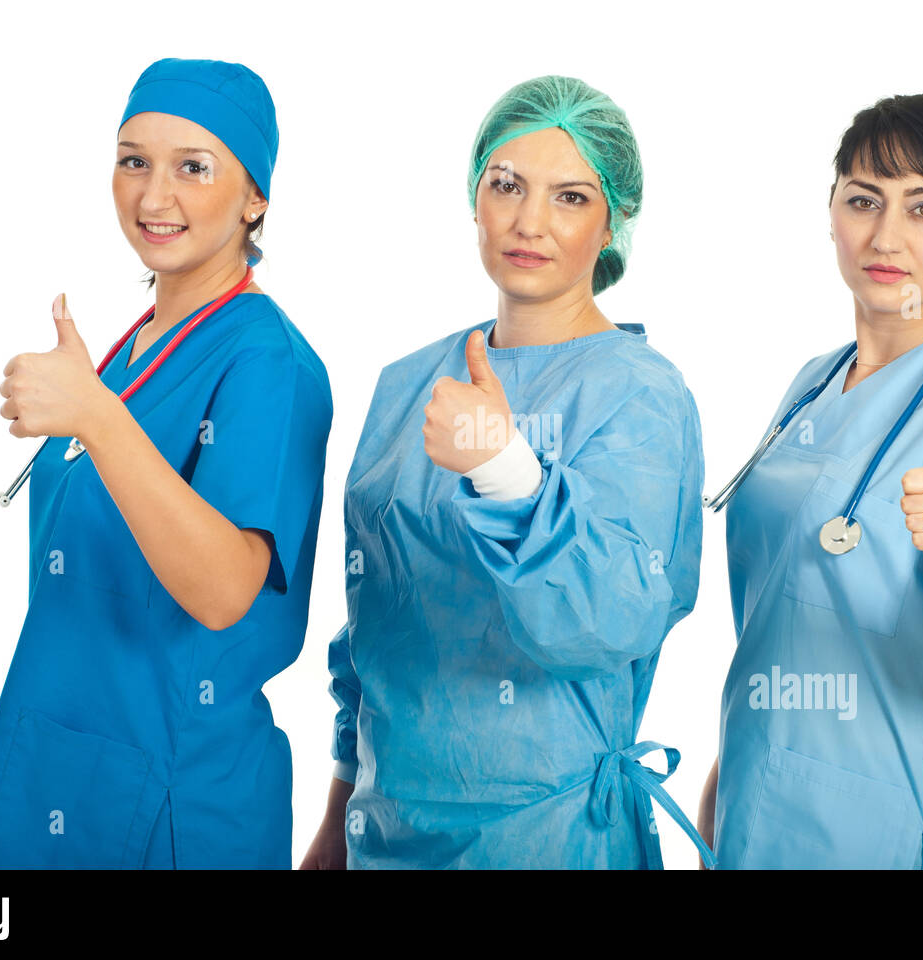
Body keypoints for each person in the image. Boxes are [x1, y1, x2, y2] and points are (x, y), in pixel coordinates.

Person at [300, 75, 713, 869]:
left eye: (569, 197)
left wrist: (508, 469)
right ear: (475, 198)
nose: (529, 221)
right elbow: (375, 628)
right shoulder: (409, 382)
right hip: (386, 831)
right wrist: (337, 813)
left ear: (612, 223)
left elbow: (614, 618)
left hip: (549, 835)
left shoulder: (639, 394)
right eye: (508, 186)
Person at [0, 58, 332, 869]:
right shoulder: (129, 351)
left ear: (255, 196)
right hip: (57, 761)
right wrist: (95, 400)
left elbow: (229, 588)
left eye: (194, 168)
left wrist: (95, 415)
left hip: (174, 797)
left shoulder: (269, 365)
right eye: (134, 161)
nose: (154, 197)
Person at [697, 93, 923, 869]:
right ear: (831, 212)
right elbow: (784, 609)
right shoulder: (813, 380)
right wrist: (733, 772)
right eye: (863, 200)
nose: (885, 236)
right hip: (758, 809)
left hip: (888, 831)